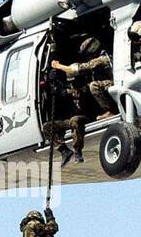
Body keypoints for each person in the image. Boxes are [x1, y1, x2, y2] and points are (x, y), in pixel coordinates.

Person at [45, 35, 116, 165]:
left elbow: (80, 89)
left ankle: (77, 152)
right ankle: (64, 151)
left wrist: (59, 66)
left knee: (75, 120)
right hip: (72, 117)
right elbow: (64, 93)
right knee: (48, 127)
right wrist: (54, 84)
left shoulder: (93, 71)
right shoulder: (71, 84)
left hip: (85, 116)